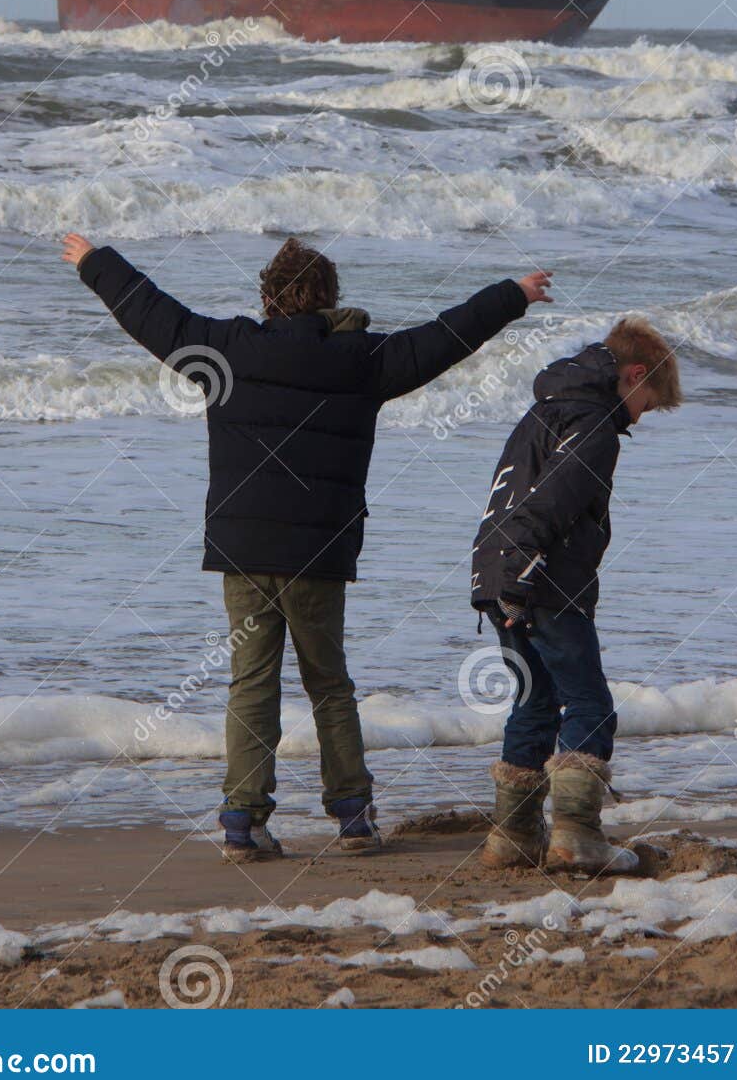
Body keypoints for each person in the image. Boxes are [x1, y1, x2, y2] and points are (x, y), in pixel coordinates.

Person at [63, 231, 552, 863]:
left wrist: (95, 262)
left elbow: (150, 311)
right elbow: (446, 336)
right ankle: (352, 818)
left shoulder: (224, 349)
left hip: (243, 551)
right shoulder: (361, 361)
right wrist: (512, 294)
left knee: (251, 683)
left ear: (268, 297)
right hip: (319, 554)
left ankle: (242, 822)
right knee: (329, 683)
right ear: (329, 299)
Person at [470, 318, 681, 875]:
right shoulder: (595, 428)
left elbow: (508, 499)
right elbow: (549, 504)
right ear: (634, 376)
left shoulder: (545, 410)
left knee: (534, 700)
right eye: (648, 404)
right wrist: (521, 576)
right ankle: (577, 836)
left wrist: (499, 582)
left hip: (494, 574)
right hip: (542, 580)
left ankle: (512, 837)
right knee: (588, 704)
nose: (640, 418)